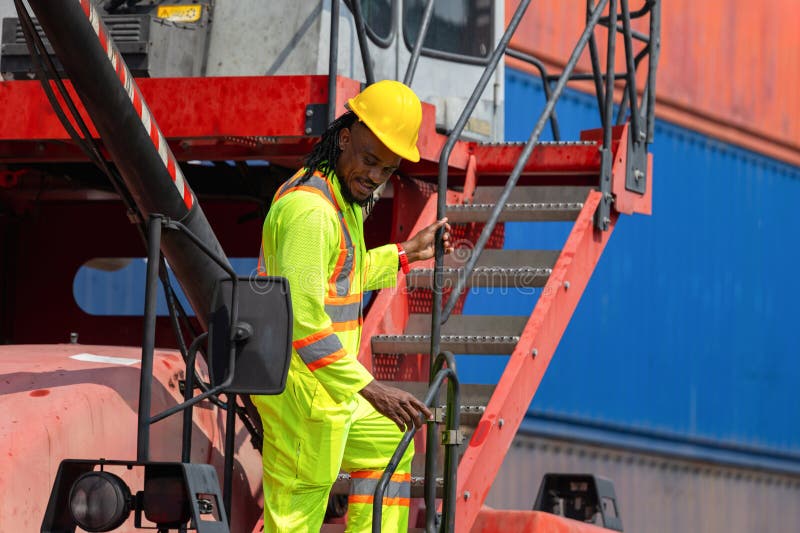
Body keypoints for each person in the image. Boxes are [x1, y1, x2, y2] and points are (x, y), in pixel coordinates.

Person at [252, 79, 453, 532]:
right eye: (369, 160)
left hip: (325, 388)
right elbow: (302, 319)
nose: (376, 176)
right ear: (345, 137)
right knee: (296, 517)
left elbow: (343, 276)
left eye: (387, 168)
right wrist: (371, 388)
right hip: (300, 390)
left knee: (388, 437)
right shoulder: (311, 212)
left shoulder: (340, 199)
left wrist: (406, 253)